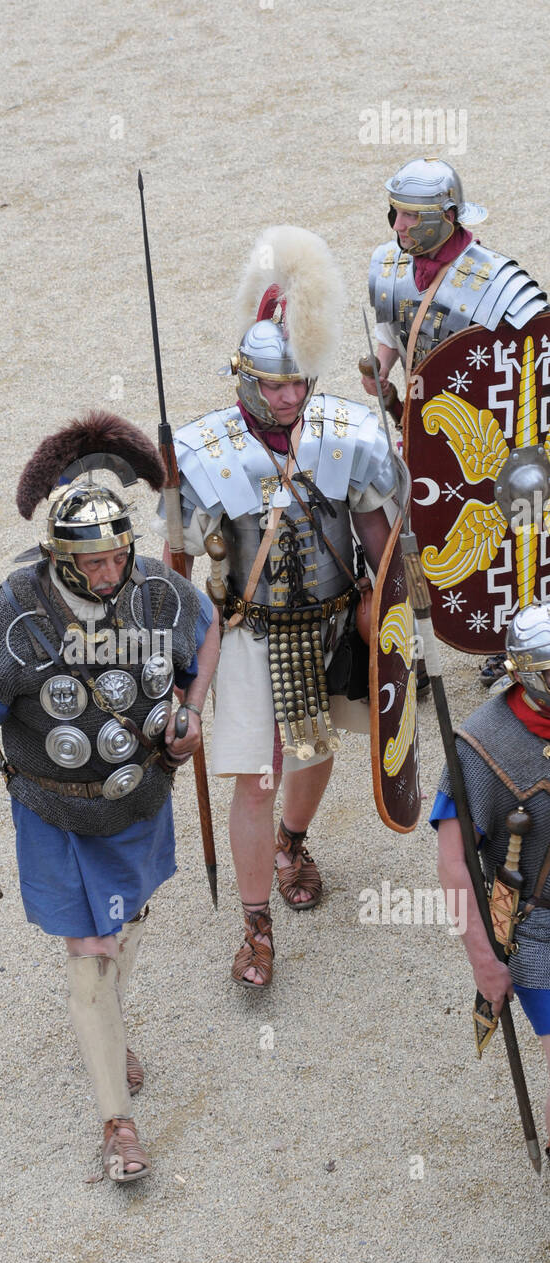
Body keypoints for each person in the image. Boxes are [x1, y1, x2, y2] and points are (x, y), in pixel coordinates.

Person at [0, 411, 218, 1183]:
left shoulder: (155, 588)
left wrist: (191, 706)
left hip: (138, 799)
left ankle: (108, 1030)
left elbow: (208, 625)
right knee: (88, 957)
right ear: (59, 558)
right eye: (89, 562)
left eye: (116, 555)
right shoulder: (12, 616)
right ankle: (116, 1124)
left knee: (128, 926)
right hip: (54, 810)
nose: (107, 572)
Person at [153, 227, 398, 990]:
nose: (291, 397)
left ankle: (293, 841)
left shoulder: (345, 435)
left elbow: (376, 537)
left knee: (316, 754)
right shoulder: (203, 452)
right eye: (276, 385)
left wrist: (398, 615)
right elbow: (177, 562)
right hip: (249, 633)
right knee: (254, 776)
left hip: (331, 625)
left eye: (300, 383)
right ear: (244, 380)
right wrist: (174, 657)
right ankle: (254, 927)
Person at [365, 156, 548, 686]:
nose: (398, 227)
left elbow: (536, 360)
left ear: (447, 217)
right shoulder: (389, 265)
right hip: (419, 435)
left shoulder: (497, 282)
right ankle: (418, 648)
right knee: (408, 537)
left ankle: (512, 642)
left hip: (489, 443)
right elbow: (390, 322)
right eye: (394, 213)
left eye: (410, 218)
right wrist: (382, 367)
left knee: (510, 539)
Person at [433, 602, 550, 1157]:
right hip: (537, 930)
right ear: (529, 674)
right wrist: (483, 959)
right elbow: (453, 864)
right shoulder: (477, 749)